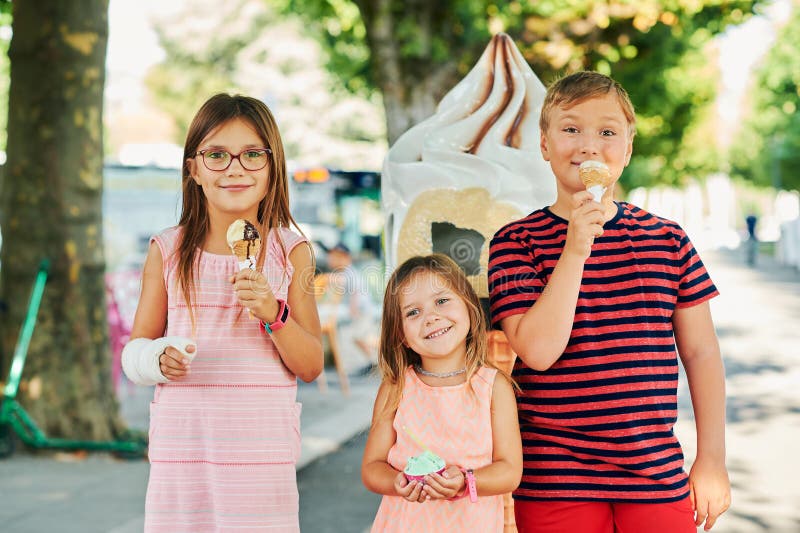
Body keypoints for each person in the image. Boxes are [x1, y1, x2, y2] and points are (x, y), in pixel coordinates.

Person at [488, 71, 730, 533]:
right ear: (544, 145)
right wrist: (574, 250)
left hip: (654, 470)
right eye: (571, 128)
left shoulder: (667, 240)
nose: (589, 146)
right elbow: (537, 352)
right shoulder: (515, 242)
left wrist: (712, 460)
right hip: (555, 477)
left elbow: (701, 352)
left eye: (607, 132)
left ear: (628, 148)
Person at [121, 93, 323, 532]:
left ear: (273, 168)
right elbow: (135, 351)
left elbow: (311, 364)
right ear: (193, 170)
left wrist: (273, 313)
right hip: (182, 455)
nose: (235, 168)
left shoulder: (292, 252)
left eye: (252, 154)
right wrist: (156, 358)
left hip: (261, 457)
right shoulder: (168, 250)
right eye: (216, 155)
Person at [362, 254, 522, 532]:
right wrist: (396, 482)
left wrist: (465, 481)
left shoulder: (494, 386)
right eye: (413, 312)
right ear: (400, 334)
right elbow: (371, 467)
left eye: (442, 301)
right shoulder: (396, 386)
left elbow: (510, 470)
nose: (431, 317)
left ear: (469, 306)